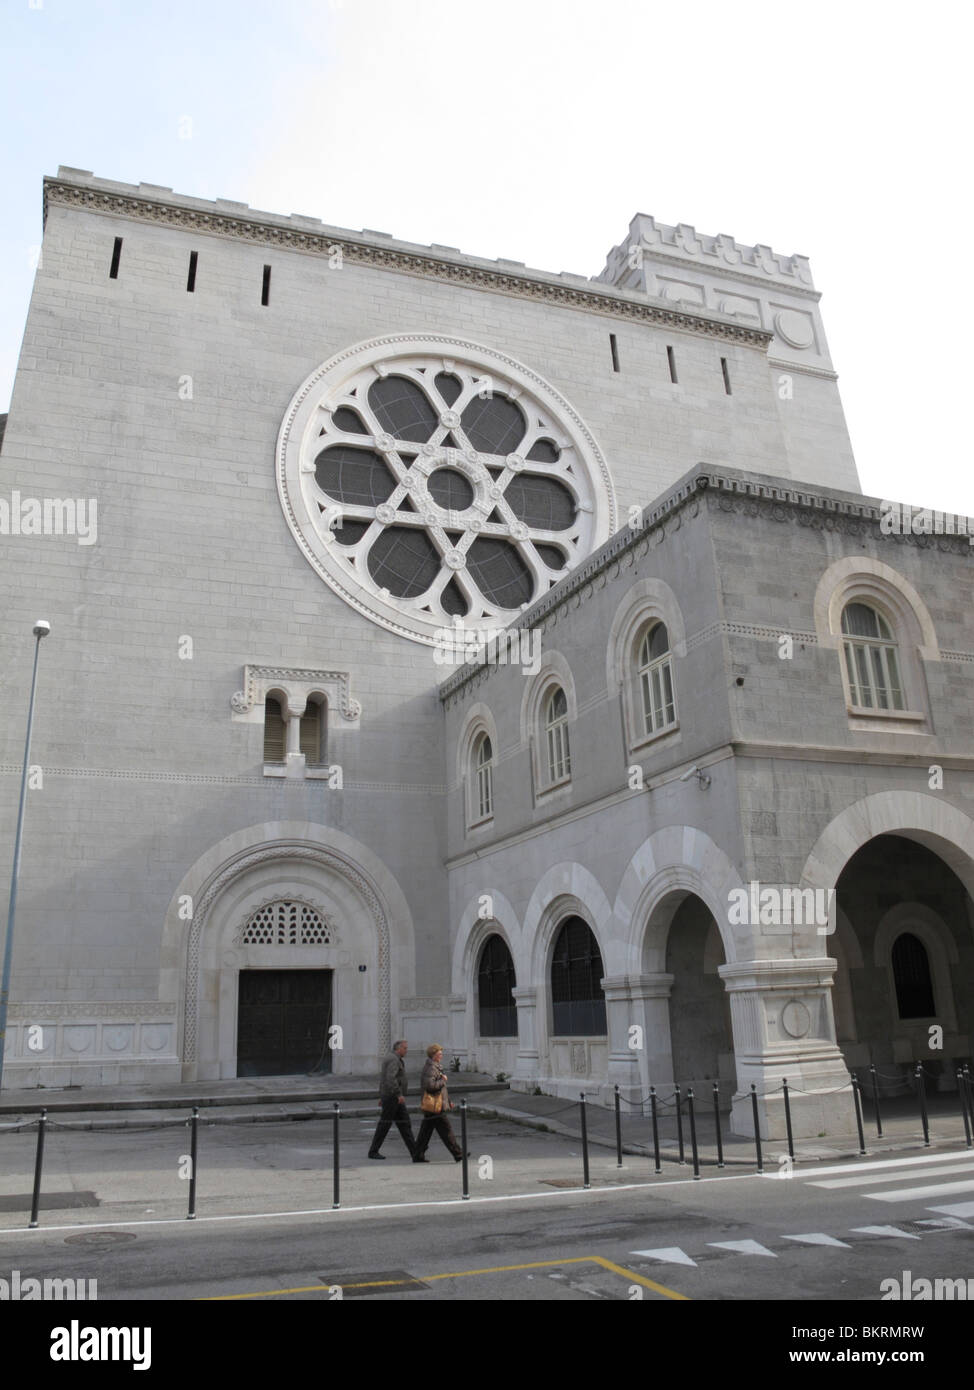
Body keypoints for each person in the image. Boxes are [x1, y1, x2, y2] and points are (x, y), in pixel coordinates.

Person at [412, 1043, 465, 1163]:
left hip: (435, 1104)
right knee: (446, 1131)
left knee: (425, 1132)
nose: (441, 1055)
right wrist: (443, 1080)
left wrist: (448, 1101)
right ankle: (458, 1154)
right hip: (435, 1105)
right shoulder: (431, 1068)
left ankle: (417, 1155)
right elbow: (430, 1086)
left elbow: (441, 1090)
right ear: (433, 1055)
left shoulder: (435, 1066)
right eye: (439, 1053)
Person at [368, 1039, 417, 1160]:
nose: (406, 1050)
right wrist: (398, 1094)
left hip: (391, 1096)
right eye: (405, 1048)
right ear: (398, 1048)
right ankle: (373, 1151)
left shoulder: (392, 1058)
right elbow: (390, 1078)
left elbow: (383, 1079)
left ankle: (415, 1150)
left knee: (404, 1123)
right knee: (385, 1124)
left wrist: (382, 1095)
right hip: (392, 1097)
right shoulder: (394, 1059)